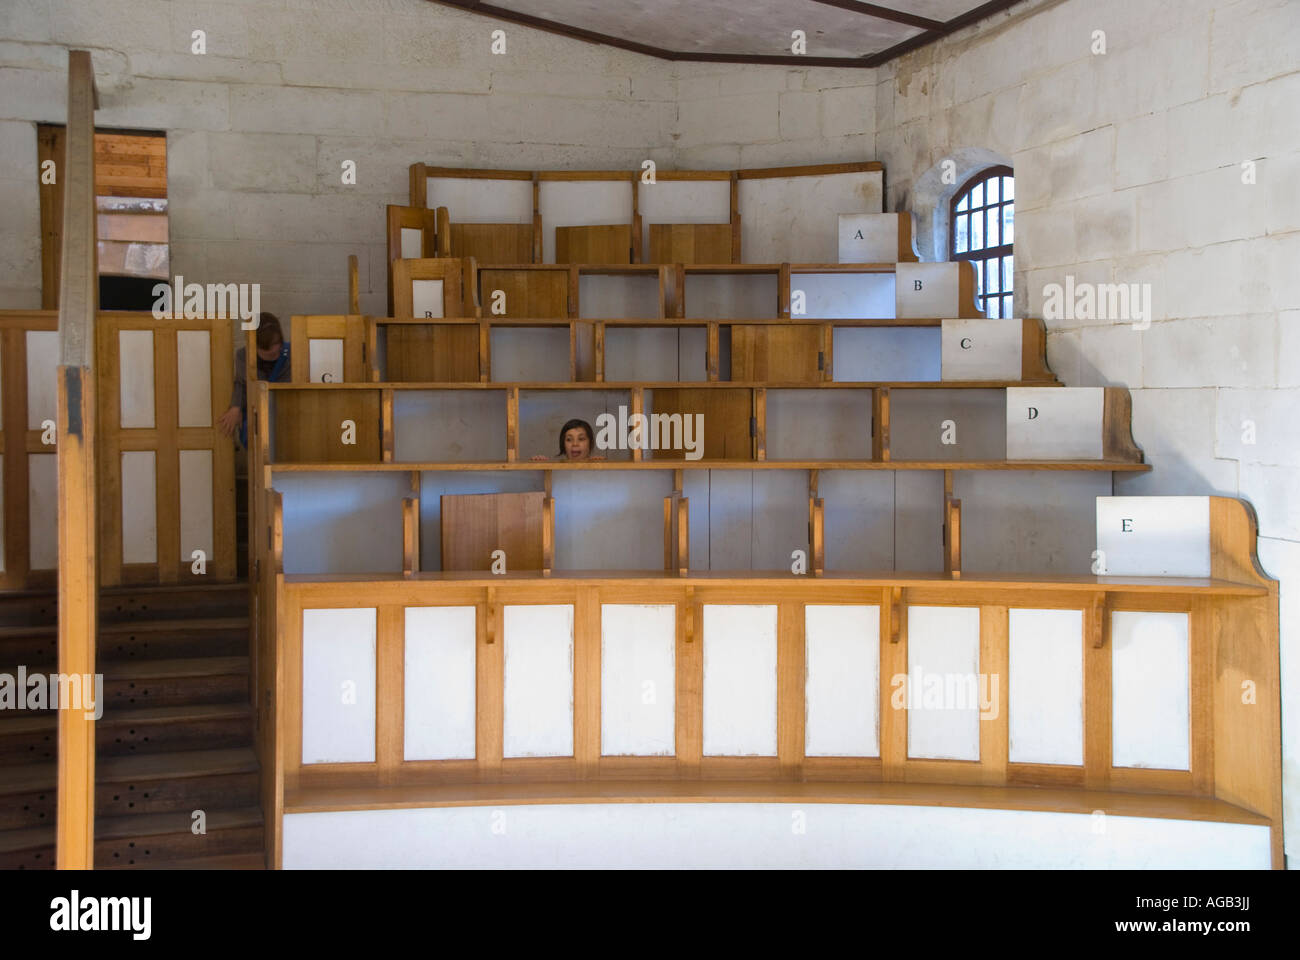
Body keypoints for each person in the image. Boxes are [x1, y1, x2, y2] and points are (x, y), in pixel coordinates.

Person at [218, 313, 289, 446]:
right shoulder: (243, 356)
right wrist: (236, 407)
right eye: (267, 352)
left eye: (276, 346)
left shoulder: (292, 353)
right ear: (254, 347)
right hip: (256, 417)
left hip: (285, 415)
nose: (274, 352)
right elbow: (241, 382)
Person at [531, 418, 605, 461]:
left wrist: (602, 467)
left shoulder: (601, 466)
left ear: (590, 443)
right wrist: (538, 466)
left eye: (581, 439)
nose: (575, 444)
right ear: (563, 444)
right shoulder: (556, 470)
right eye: (569, 439)